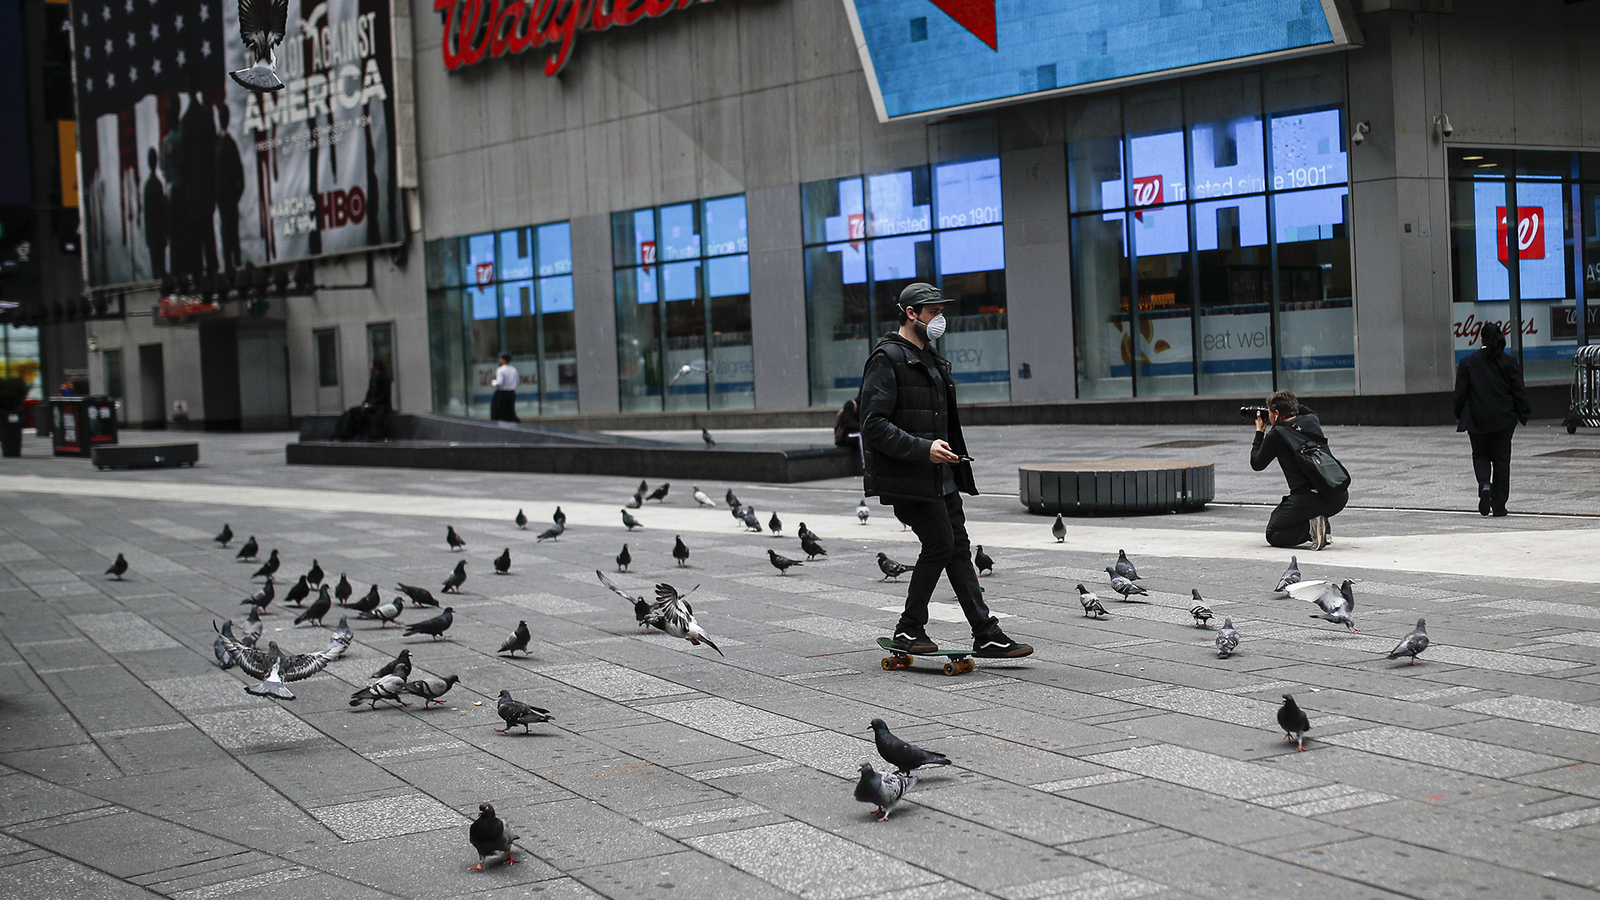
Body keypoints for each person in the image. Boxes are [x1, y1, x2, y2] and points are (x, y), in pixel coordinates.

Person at [860, 283, 1032, 659]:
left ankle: (986, 633)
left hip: (940, 475)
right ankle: (908, 630)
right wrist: (924, 449)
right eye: (933, 311)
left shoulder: (933, 360)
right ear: (911, 314)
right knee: (941, 544)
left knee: (958, 548)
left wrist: (948, 457)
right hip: (909, 476)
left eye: (941, 310)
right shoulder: (887, 358)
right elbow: (873, 424)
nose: (940, 318)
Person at [1250, 390, 1347, 550]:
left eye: (1270, 412)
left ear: (1277, 414)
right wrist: (1286, 405)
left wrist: (1260, 432)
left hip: (1308, 497)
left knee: (1273, 533)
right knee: (1305, 508)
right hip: (1338, 495)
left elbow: (1256, 463)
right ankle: (1323, 526)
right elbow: (1302, 409)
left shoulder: (1276, 434)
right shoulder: (1311, 419)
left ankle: (1313, 529)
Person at [1453, 325, 1530, 517]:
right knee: (1502, 460)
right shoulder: (1509, 362)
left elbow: (1460, 393)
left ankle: (1484, 483)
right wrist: (1523, 413)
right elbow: (1518, 390)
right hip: (1503, 419)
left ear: (1482, 340)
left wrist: (1459, 413)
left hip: (1477, 417)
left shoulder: (1468, 362)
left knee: (1480, 454)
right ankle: (1499, 505)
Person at [214, 104, 245, 275]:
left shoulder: (223, 146)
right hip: (227, 199)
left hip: (227, 199)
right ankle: (233, 268)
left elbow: (239, 176)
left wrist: (232, 196)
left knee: (229, 237)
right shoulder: (226, 144)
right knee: (231, 237)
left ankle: (232, 270)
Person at [334, 359, 392, 441]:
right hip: (373, 404)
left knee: (363, 413)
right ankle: (345, 434)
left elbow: (383, 395)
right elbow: (369, 394)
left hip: (379, 406)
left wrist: (371, 404)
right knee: (353, 411)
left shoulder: (383, 378)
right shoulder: (373, 378)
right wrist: (366, 403)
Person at [142, 148, 168, 280]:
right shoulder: (158, 185)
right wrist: (164, 231)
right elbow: (162, 212)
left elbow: (147, 214)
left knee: (155, 271)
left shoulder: (148, 186)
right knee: (161, 267)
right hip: (159, 234)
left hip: (152, 234)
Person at [489, 352, 520, 422]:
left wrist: (493, 383)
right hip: (511, 392)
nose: (499, 360)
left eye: (500, 359)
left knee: (500, 411)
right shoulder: (513, 369)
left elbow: (499, 382)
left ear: (504, 360)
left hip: (502, 393)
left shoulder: (500, 370)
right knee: (510, 410)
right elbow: (518, 381)